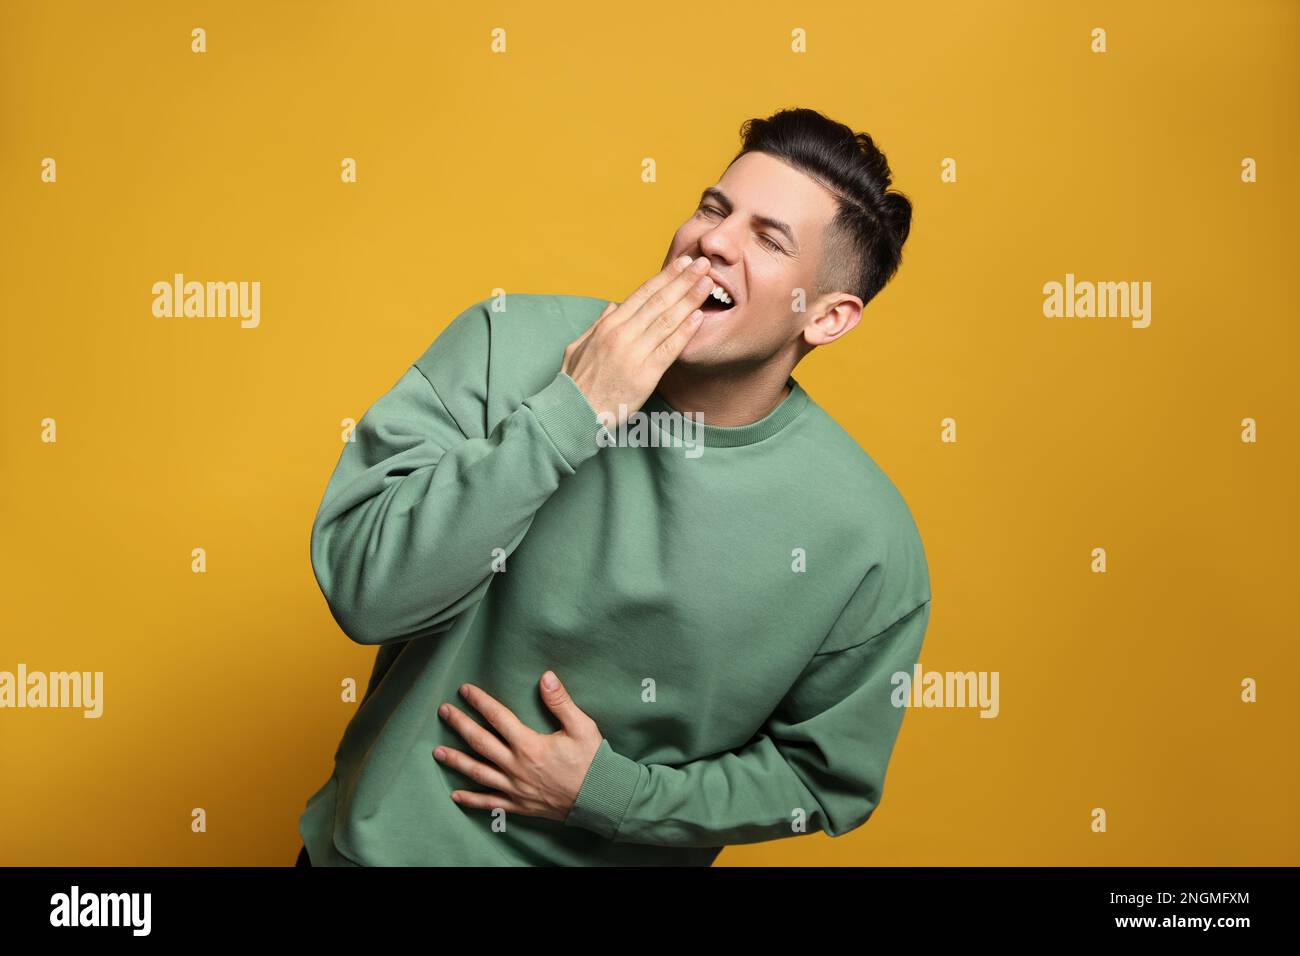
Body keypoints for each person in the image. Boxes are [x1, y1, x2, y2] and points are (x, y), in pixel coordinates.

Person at [297, 106, 931, 866]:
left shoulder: (866, 539)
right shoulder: (507, 342)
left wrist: (613, 795)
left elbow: (823, 783)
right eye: (713, 208)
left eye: (768, 239)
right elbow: (367, 595)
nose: (714, 241)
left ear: (827, 318)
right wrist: (572, 411)